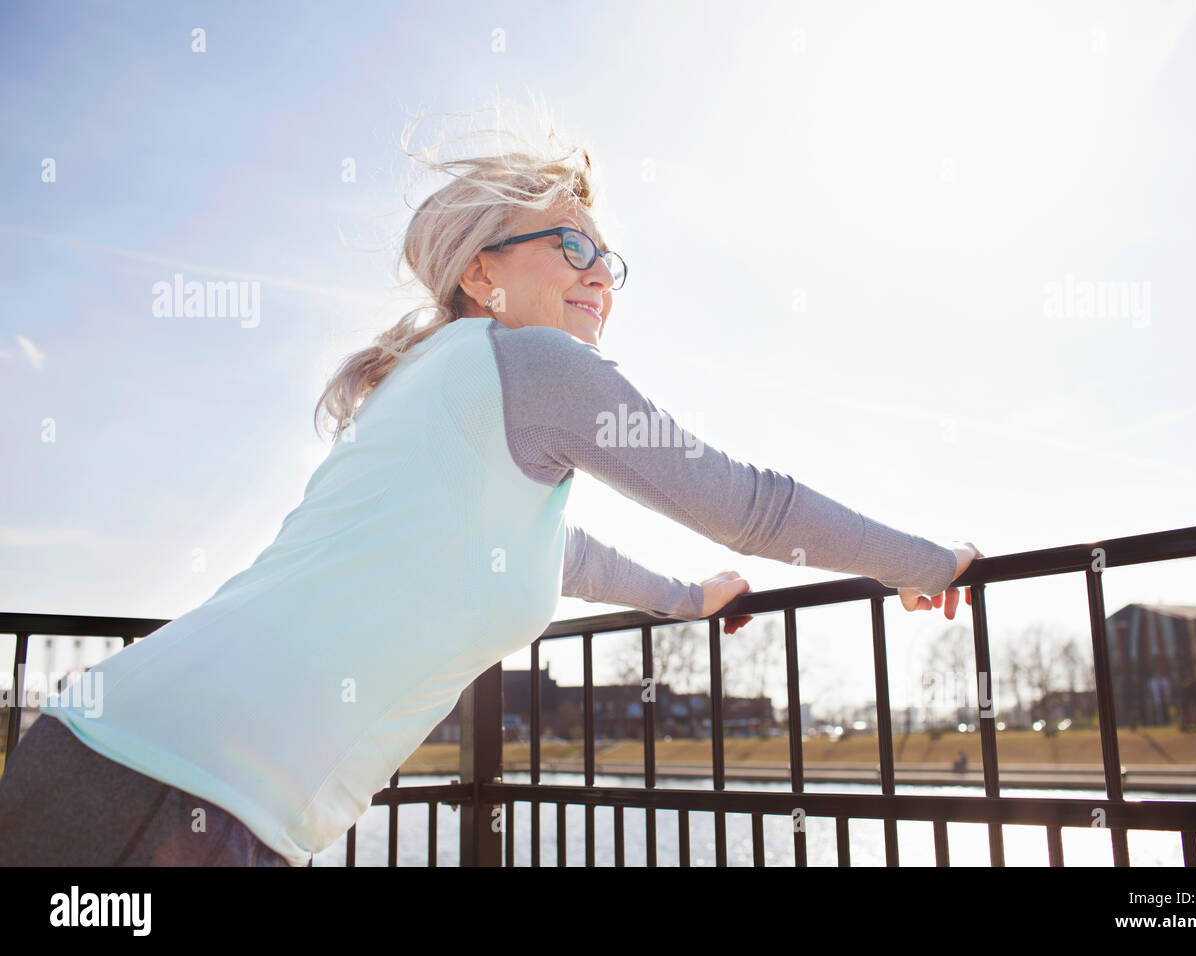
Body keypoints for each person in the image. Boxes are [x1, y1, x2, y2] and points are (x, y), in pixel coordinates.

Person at [0, 114, 982, 866]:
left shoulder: (455, 389)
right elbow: (748, 501)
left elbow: (555, 552)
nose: (601, 276)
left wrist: (686, 598)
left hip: (166, 781)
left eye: (612, 258)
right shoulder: (531, 364)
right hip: (153, 787)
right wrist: (927, 563)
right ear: (481, 271)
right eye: (572, 245)